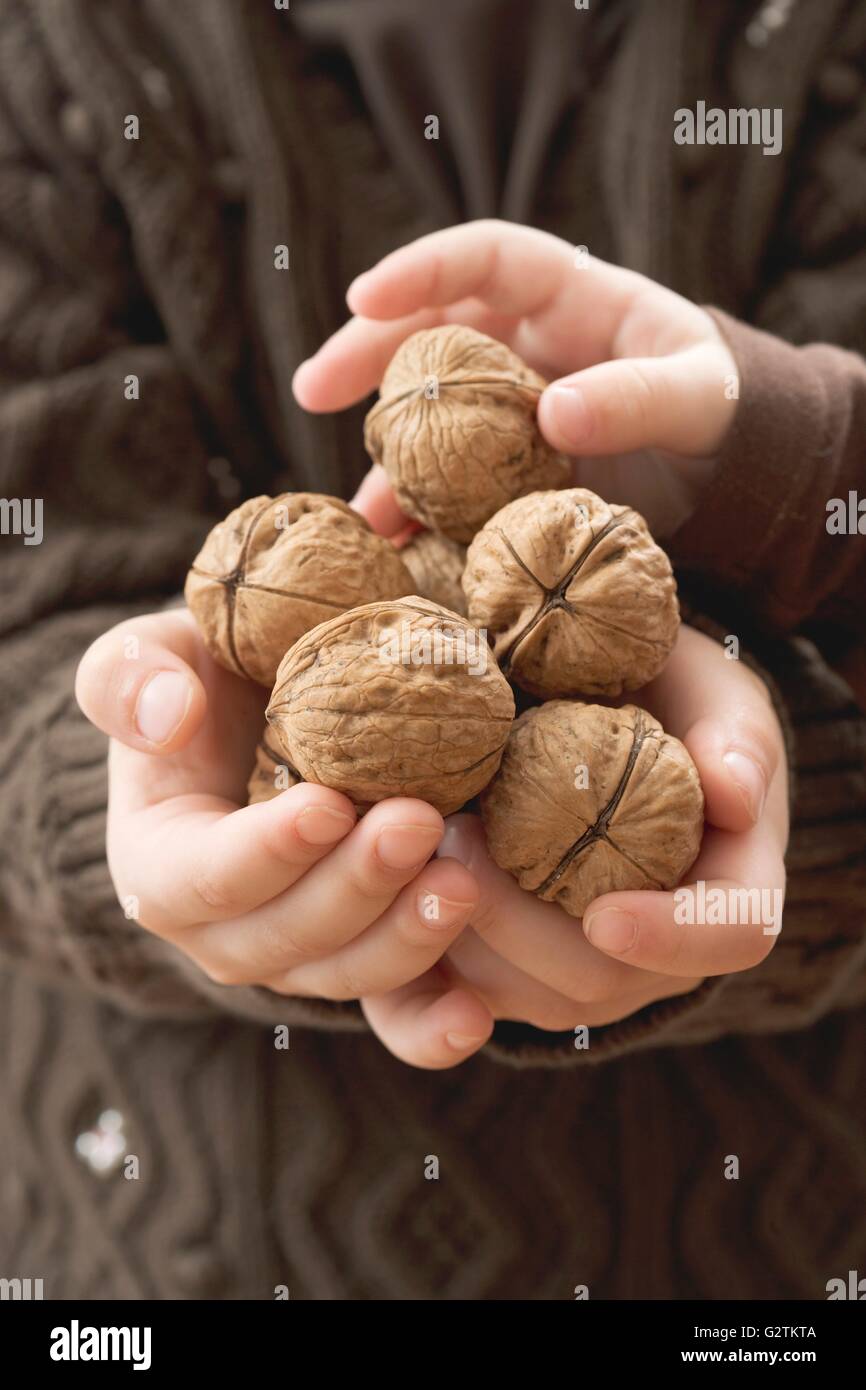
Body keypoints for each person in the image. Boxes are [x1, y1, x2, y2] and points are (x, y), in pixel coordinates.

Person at [1, 0, 864, 1300]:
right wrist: (121, 778)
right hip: (180, 1257)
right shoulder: (52, 47)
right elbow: (25, 621)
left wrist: (784, 469)